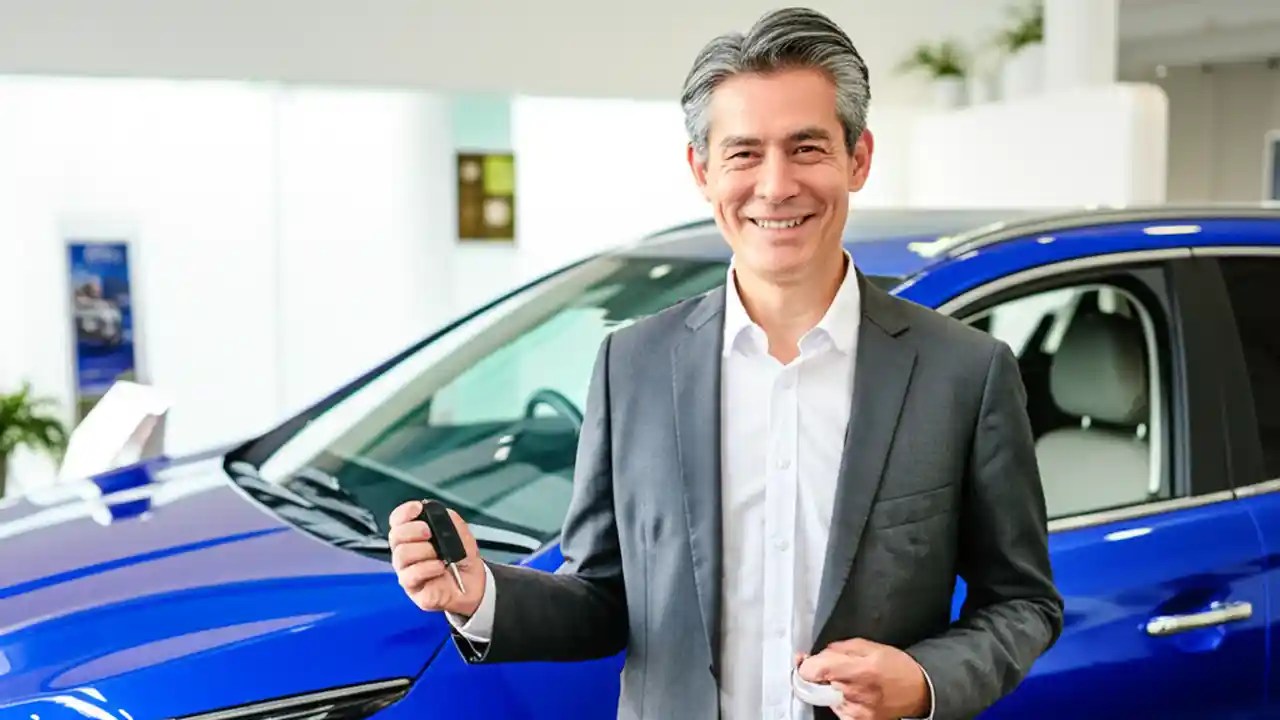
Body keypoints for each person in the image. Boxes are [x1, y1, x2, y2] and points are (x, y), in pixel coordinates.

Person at [387, 7, 1063, 719]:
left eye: (807, 148)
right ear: (701, 169)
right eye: (743, 153)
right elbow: (605, 597)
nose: (775, 186)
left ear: (857, 159)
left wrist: (923, 682)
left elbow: (1023, 602)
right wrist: (481, 594)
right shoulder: (634, 364)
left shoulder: (965, 371)